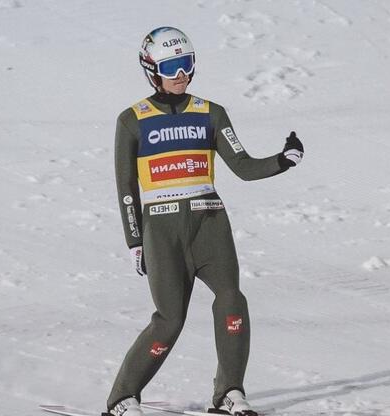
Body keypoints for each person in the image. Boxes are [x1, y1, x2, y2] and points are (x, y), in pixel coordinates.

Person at [105, 26, 304, 416]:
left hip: (209, 225)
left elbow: (243, 167)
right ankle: (122, 398)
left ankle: (229, 392)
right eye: (172, 66)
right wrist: (134, 241)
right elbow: (127, 188)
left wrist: (283, 160)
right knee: (169, 320)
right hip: (161, 231)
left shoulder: (211, 113)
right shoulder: (132, 120)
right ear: (151, 69)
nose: (181, 74)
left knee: (232, 301)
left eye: (187, 64)